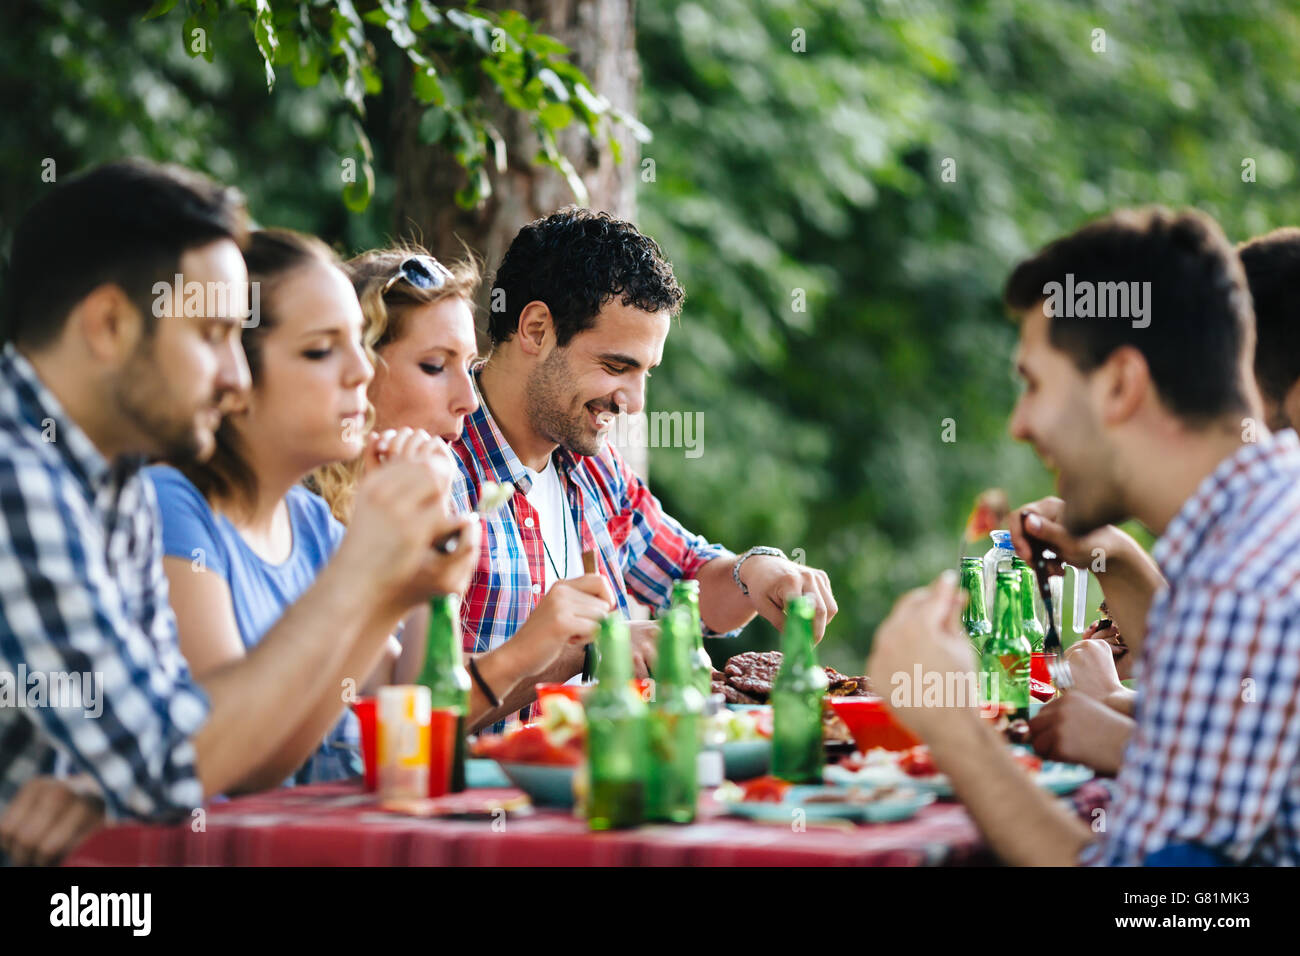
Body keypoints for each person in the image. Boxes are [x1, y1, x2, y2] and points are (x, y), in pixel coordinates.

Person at [0, 162, 461, 864]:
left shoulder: (114, 479)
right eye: (213, 334)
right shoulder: (18, 475)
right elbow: (167, 760)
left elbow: (174, 745)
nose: (235, 377)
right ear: (108, 325)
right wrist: (362, 572)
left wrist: (106, 788)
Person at [868, 206, 1300, 865]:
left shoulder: (1239, 582)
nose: (1020, 424)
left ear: (1122, 384)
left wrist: (953, 726)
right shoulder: (1266, 525)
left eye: (1035, 385)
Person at [449, 208, 839, 728]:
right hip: (483, 805)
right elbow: (420, 703)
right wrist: (590, 650)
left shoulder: (591, 465)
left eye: (646, 372)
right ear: (536, 329)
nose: (633, 401)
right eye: (616, 366)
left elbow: (689, 584)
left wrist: (756, 570)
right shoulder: (439, 468)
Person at [312, 244, 618, 733]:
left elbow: (422, 718)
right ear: (356, 372)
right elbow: (404, 727)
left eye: (467, 365)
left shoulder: (412, 513)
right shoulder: (310, 518)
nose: (469, 400)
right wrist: (536, 651)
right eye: (435, 366)